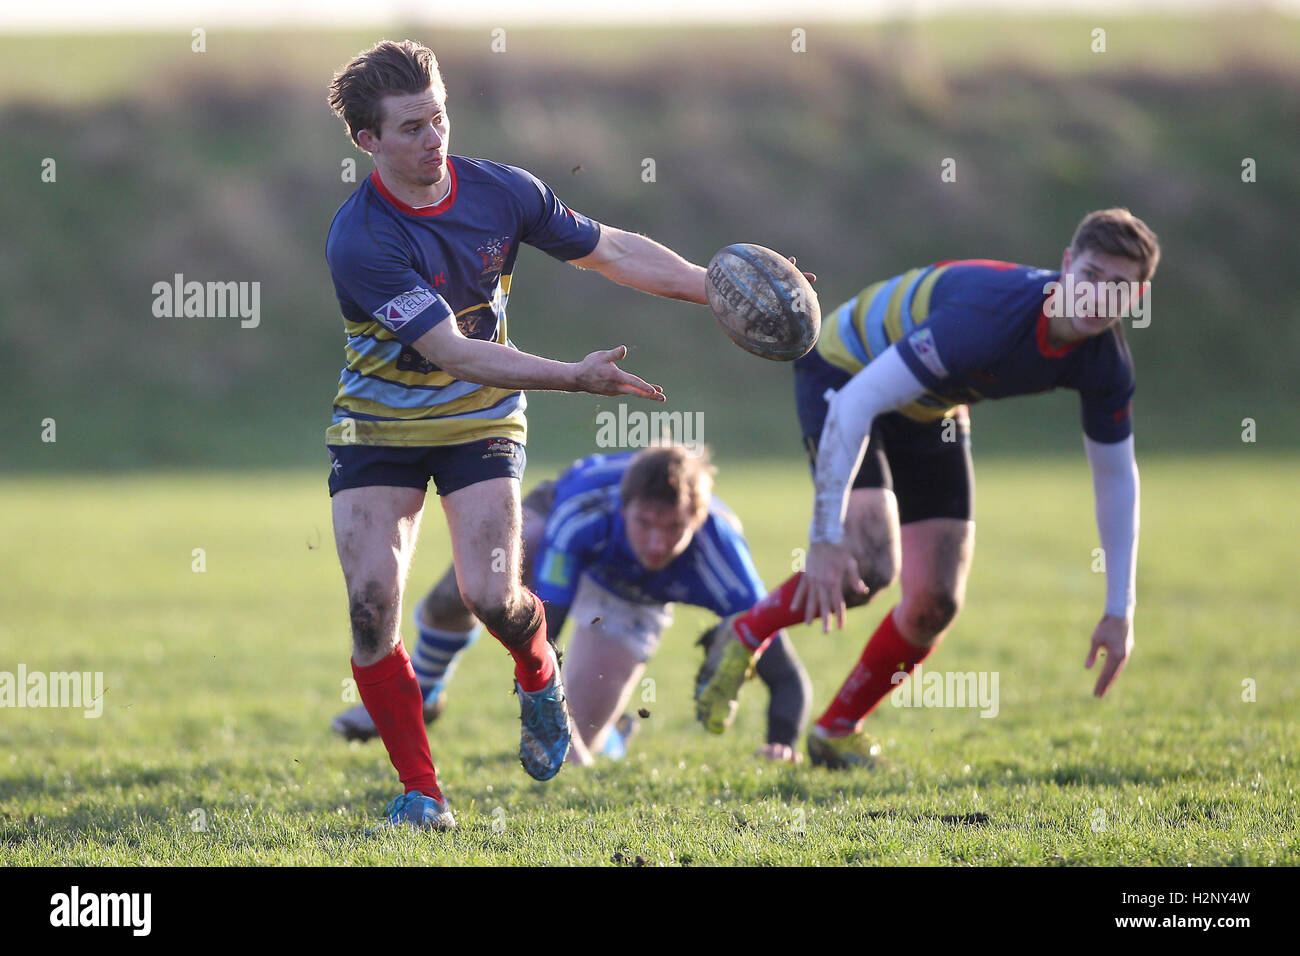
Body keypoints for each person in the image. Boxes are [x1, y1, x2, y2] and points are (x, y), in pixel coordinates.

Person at [325, 39, 717, 830]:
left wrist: (719, 289)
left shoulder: (503, 191)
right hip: (381, 428)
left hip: (480, 421)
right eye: (410, 128)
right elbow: (454, 351)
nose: (434, 138)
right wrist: (576, 375)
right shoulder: (362, 238)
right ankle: (422, 794)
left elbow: (610, 250)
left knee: (491, 596)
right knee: (372, 609)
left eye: (438, 117)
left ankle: (539, 674)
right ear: (367, 142)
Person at [695, 208, 1157, 768]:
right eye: (1091, 276)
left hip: (931, 402)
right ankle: (743, 633)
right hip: (844, 372)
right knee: (866, 564)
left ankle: (836, 731)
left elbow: (1114, 476)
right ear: (1065, 266)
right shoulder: (988, 317)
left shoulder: (1105, 362)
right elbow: (860, 402)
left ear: (1138, 298)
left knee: (934, 603)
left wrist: (1119, 610)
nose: (1098, 298)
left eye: (1120, 288)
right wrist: (823, 539)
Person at [332, 447, 813, 762]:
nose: (656, 542)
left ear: (698, 519)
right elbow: (543, 638)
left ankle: (617, 732)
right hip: (555, 524)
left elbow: (787, 675)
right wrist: (542, 711)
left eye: (674, 530)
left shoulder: (722, 556)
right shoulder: (583, 518)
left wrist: (782, 744)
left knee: (579, 745)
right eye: (645, 523)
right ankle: (426, 691)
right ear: (623, 507)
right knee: (491, 574)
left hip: (629, 595)